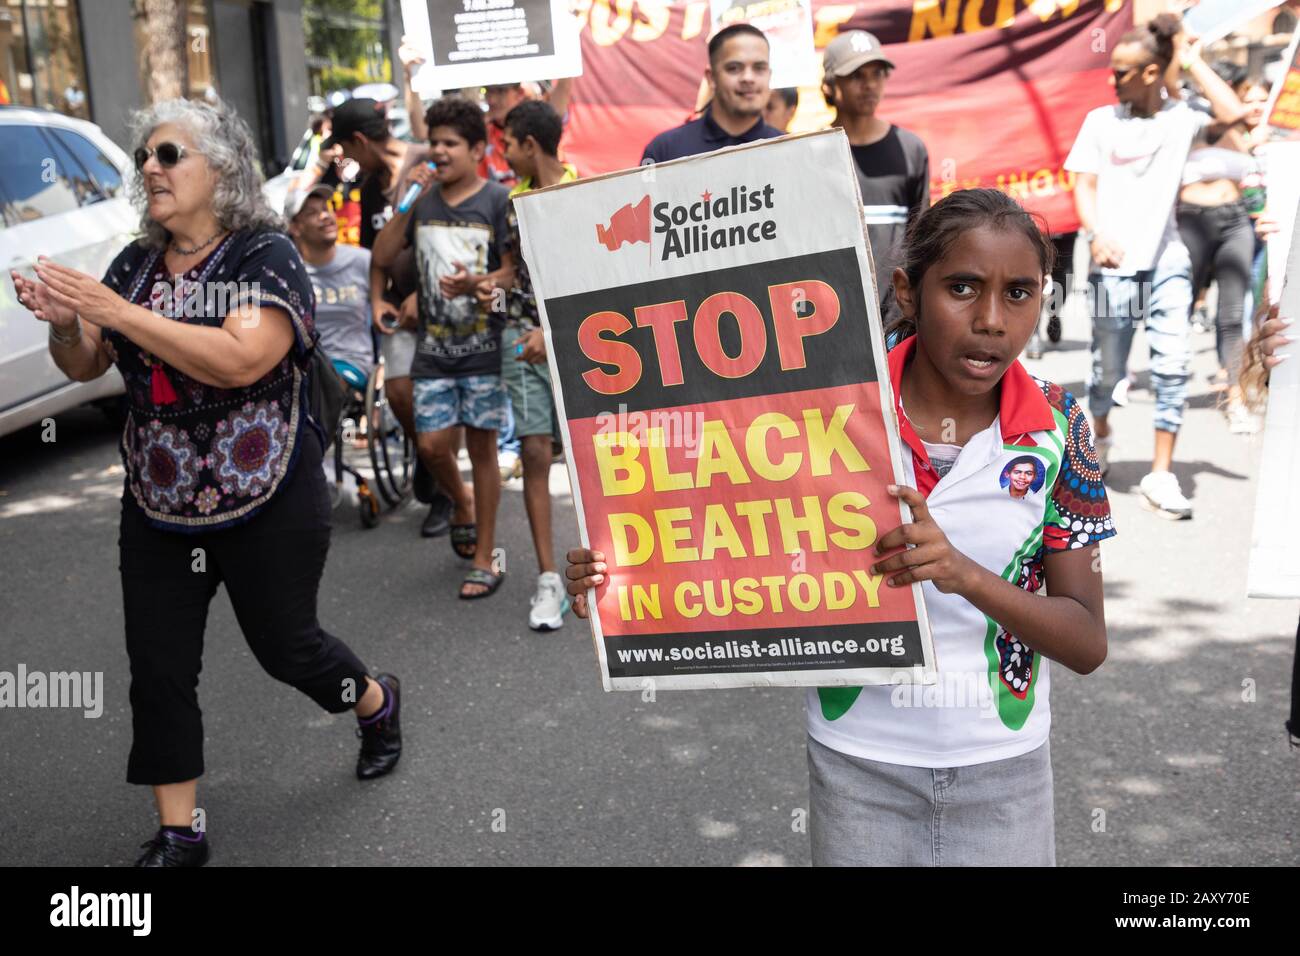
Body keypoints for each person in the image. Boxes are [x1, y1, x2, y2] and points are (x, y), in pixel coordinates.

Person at [565, 189, 1114, 866]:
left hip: (1005, 770)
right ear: (908, 293)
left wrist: (964, 575)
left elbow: (1087, 641)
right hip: (858, 765)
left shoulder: (1062, 430)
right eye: (962, 288)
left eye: (1020, 293)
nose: (991, 320)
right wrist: (621, 576)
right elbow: (715, 529)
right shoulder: (820, 413)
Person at [8, 98, 403, 867]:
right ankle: (180, 833)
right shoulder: (134, 264)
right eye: (145, 158)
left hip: (269, 491)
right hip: (159, 501)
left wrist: (117, 312)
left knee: (288, 650)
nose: (149, 169)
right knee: (157, 665)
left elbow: (242, 358)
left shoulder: (264, 254)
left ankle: (376, 701)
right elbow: (87, 365)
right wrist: (65, 320)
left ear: (220, 170)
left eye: (167, 154)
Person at [1064, 12, 1244, 518]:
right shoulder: (1101, 122)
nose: (1112, 79)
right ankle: (1100, 434)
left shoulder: (1180, 120)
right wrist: (1097, 235)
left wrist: (1189, 58)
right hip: (1112, 267)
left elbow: (1235, 114)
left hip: (1167, 262)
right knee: (1106, 373)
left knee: (1172, 366)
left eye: (1122, 71)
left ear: (1149, 73)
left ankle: (1161, 474)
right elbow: (1084, 184)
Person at [372, 96, 515, 599]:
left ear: (477, 149)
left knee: (482, 450)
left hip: (483, 347)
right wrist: (407, 202)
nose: (438, 151)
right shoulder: (423, 201)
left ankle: (485, 558)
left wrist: (480, 282)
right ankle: (462, 501)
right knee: (431, 445)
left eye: (449, 143)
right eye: (433, 142)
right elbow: (385, 256)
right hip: (432, 351)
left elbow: (512, 275)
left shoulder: (497, 200)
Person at [323, 96, 454, 537]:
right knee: (400, 393)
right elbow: (372, 257)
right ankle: (429, 460)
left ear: (360, 140)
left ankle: (445, 493)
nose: (344, 160)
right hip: (397, 308)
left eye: (344, 148)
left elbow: (457, 237)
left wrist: (426, 293)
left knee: (439, 399)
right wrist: (378, 299)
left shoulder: (428, 165)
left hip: (445, 303)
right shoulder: (370, 186)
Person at [479, 98, 578, 630]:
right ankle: (548, 581)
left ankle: (615, 572)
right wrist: (482, 285)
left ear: (531, 145)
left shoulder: (586, 191)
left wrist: (555, 330)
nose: (506, 154)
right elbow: (513, 273)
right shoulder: (514, 202)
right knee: (536, 451)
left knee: (595, 458)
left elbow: (600, 276)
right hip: (519, 338)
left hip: (584, 341)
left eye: (509, 144)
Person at [1175, 61, 1262, 434]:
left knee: (1232, 314)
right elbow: (1229, 112)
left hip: (1236, 220)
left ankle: (1235, 398)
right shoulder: (1190, 117)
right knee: (1176, 306)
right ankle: (1168, 390)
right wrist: (1193, 57)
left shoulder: (1252, 132)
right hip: (1191, 219)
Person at [822, 29, 930, 324]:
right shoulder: (814, 152)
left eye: (878, 73)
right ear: (829, 86)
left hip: (896, 316)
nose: (869, 85)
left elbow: (919, 237)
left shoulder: (910, 149)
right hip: (831, 314)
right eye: (856, 76)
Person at [641, 23, 783, 164]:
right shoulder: (664, 151)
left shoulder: (792, 151)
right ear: (711, 77)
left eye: (759, 68)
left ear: (769, 75)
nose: (748, 78)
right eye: (734, 68)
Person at [286, 183, 375, 387]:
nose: (325, 216)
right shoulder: (289, 272)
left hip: (353, 366)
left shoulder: (362, 261)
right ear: (295, 227)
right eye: (312, 213)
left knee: (327, 386)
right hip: (304, 367)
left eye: (326, 209)